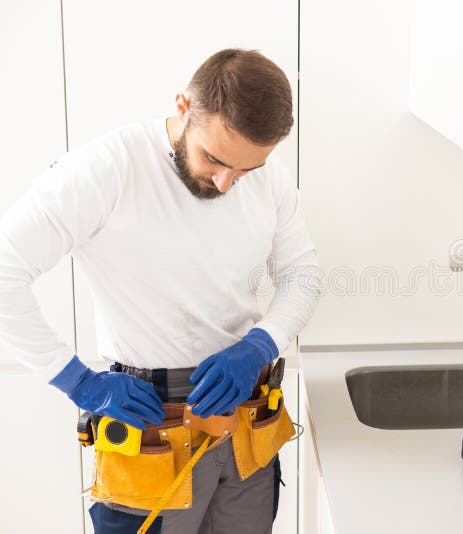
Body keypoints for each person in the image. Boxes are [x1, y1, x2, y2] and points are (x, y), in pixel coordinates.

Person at [0, 48, 321, 533]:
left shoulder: (267, 175)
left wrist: (261, 345)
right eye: (214, 159)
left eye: (246, 169)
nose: (227, 182)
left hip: (246, 423)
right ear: (183, 107)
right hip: (151, 426)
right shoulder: (106, 170)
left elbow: (302, 275)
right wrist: (79, 383)